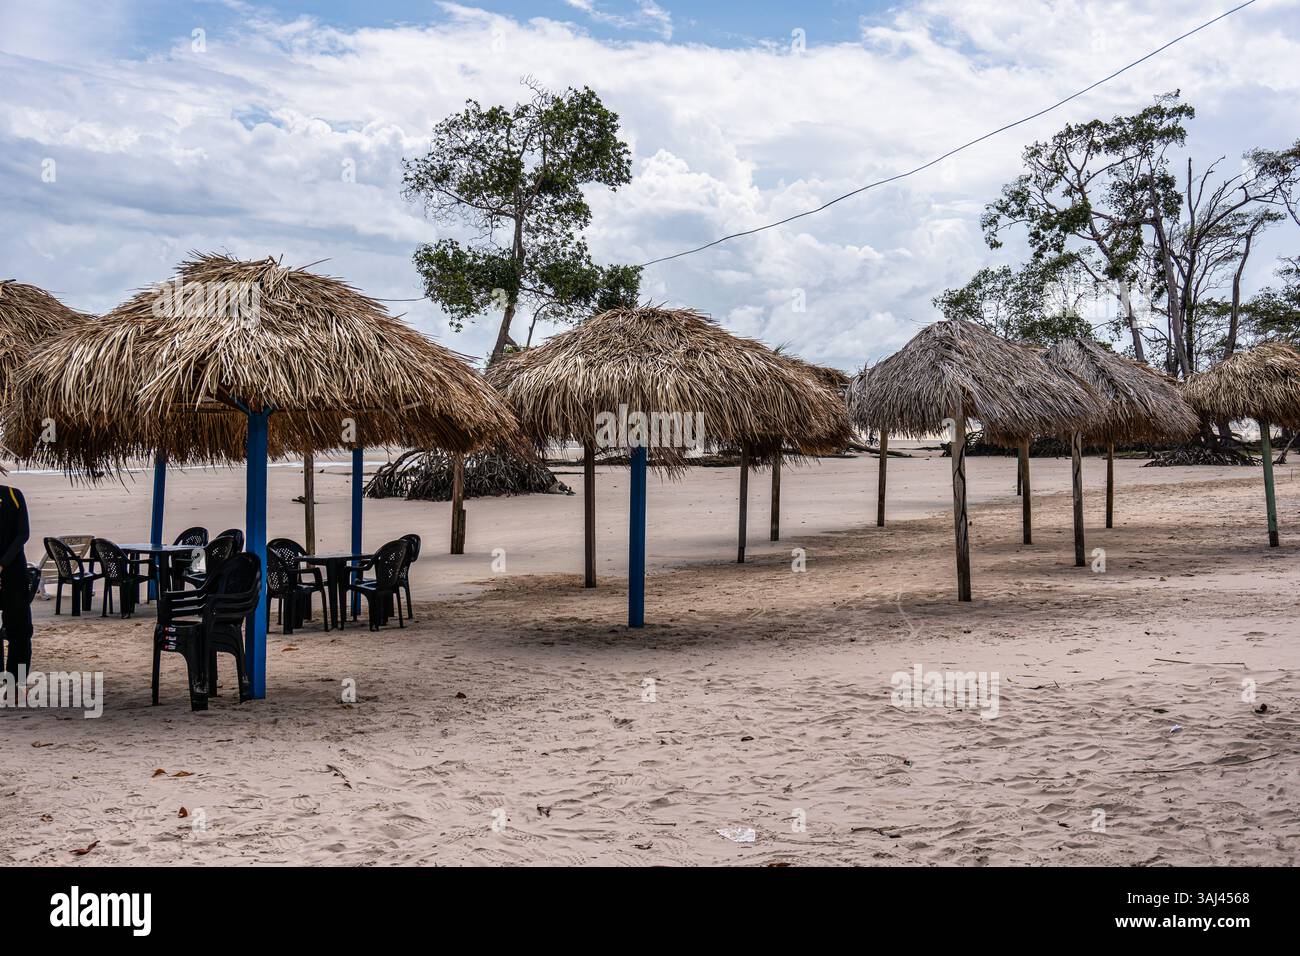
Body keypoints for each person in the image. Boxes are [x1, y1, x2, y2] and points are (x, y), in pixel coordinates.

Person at [0, 484, 32, 687]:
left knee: (19, 631)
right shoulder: (13, 494)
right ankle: (15, 683)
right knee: (19, 632)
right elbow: (23, 535)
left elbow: (23, 534)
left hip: (14, 573)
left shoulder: (13, 494)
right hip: (13, 569)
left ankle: (16, 683)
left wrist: (2, 563)